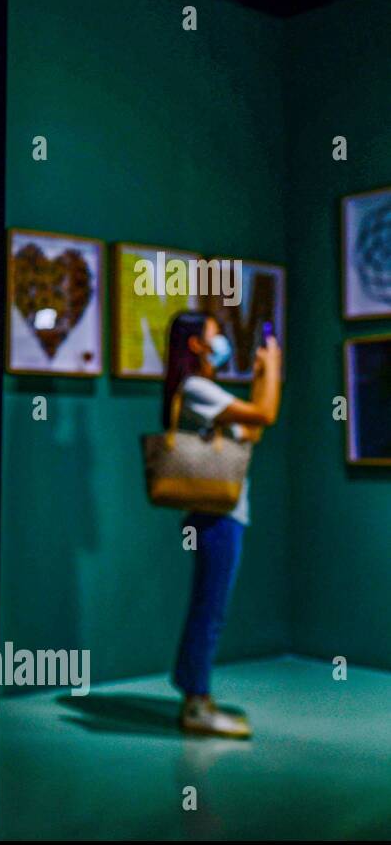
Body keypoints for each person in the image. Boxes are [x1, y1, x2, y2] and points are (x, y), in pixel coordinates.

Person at [161, 311, 281, 738]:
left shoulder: (206, 390)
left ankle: (195, 691)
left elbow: (254, 429)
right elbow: (265, 414)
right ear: (196, 344)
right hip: (216, 516)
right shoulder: (196, 389)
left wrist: (261, 376)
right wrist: (272, 367)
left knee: (210, 606)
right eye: (215, 334)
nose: (221, 341)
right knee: (210, 610)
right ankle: (196, 703)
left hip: (225, 514)